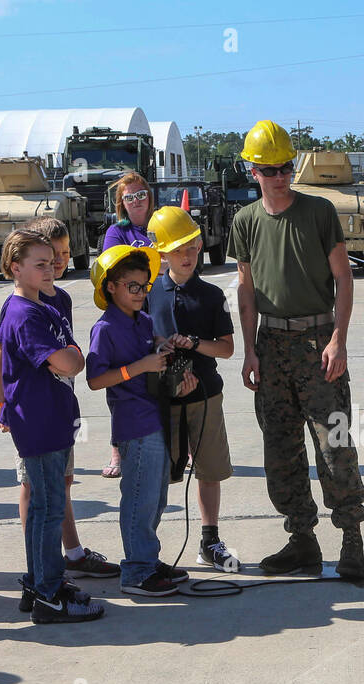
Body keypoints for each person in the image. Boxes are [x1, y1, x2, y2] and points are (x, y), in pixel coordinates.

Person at [229, 119, 364, 579]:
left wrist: (338, 341)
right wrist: (250, 351)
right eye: (269, 169)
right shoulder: (245, 221)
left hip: (317, 344)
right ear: (252, 171)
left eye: (286, 166)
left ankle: (351, 538)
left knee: (334, 444)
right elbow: (246, 291)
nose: (280, 176)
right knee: (281, 450)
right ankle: (302, 542)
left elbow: (344, 278)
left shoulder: (319, 211)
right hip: (270, 346)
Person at [0, 216, 119, 590]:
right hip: (36, 419)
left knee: (55, 495)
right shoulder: (23, 312)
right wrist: (4, 405)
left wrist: (70, 355)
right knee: (43, 504)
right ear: (16, 267)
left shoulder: (51, 304)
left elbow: (71, 357)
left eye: (57, 259)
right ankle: (46, 585)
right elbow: (69, 360)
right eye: (42, 263)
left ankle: (45, 581)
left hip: (57, 414)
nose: (53, 267)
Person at [85, 245, 196, 597]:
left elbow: (153, 348)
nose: (140, 293)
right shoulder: (105, 329)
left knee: (156, 495)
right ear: (111, 287)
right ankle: (136, 570)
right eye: (132, 286)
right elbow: (94, 378)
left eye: (145, 286)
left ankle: (147, 558)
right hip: (134, 423)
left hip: (157, 415)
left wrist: (164, 348)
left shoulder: (144, 321)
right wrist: (141, 366)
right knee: (138, 497)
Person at [146, 205, 240, 572]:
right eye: (177, 249)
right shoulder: (150, 293)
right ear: (162, 253)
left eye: (192, 246)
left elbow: (227, 348)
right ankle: (147, 548)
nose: (186, 256)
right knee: (159, 474)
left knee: (209, 470)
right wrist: (159, 346)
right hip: (161, 396)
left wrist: (193, 344)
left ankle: (209, 539)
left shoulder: (212, 295)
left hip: (205, 394)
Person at [99, 172, 154, 479]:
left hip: (157, 311)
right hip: (127, 318)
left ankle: (180, 446)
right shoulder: (115, 232)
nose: (137, 201)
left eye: (141, 194)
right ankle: (118, 451)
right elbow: (113, 268)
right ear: (121, 202)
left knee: (166, 379)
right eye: (130, 197)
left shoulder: (161, 225)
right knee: (121, 386)